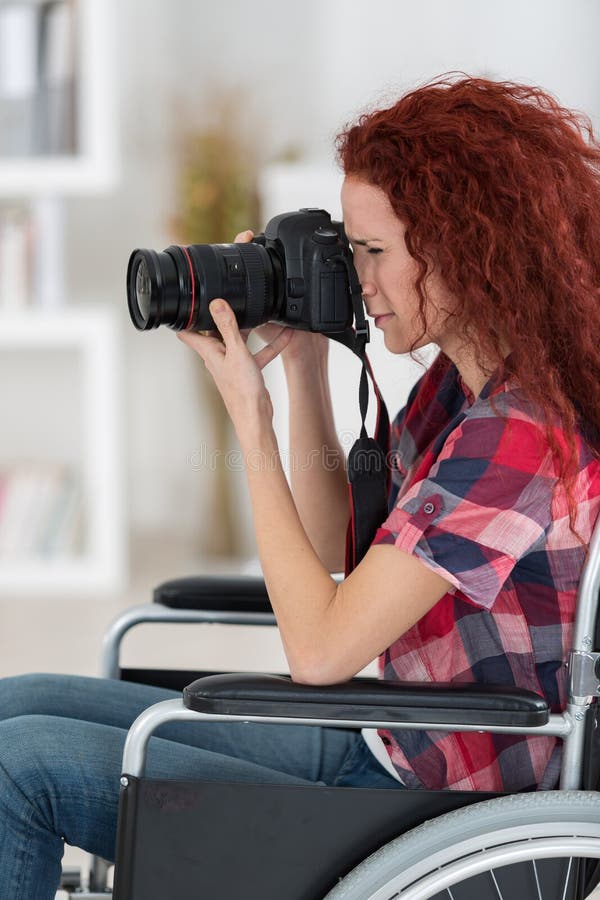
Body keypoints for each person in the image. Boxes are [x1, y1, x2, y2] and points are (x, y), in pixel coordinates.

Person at [1, 73, 600, 899]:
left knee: (18, 769)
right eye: (350, 252)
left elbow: (319, 652)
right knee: (14, 703)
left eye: (375, 252)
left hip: (433, 805)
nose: (360, 280)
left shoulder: (517, 433)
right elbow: (334, 550)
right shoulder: (467, 387)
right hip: (390, 738)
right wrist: (307, 371)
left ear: (467, 246)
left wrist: (246, 419)